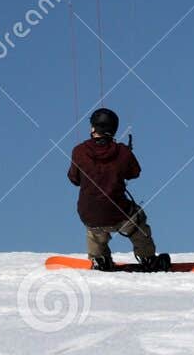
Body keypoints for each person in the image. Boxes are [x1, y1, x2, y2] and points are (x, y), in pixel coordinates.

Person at [67, 107, 169, 271]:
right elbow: (135, 173)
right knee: (138, 221)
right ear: (113, 129)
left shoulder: (79, 151)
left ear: (93, 128)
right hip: (119, 213)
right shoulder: (122, 152)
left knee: (94, 229)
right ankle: (148, 258)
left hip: (88, 213)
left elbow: (74, 179)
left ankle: (99, 259)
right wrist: (126, 156)